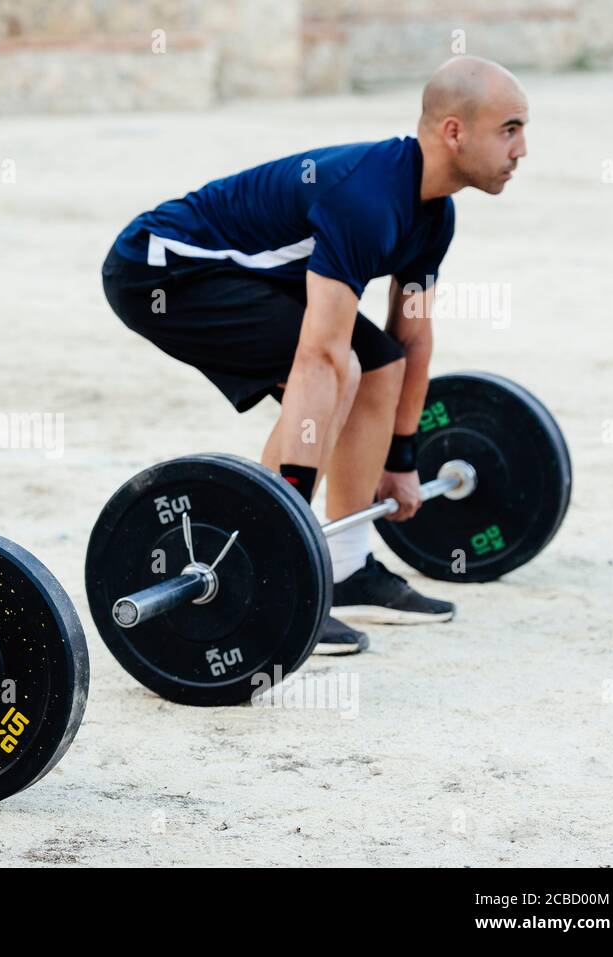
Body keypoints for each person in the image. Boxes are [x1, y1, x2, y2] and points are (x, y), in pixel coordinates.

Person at [100, 56, 528, 655]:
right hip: (164, 271)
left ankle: (346, 567)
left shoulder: (434, 213)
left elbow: (411, 340)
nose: (522, 149)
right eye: (510, 128)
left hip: (247, 276)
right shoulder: (367, 198)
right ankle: (269, 574)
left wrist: (402, 459)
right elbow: (322, 361)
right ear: (454, 132)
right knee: (340, 370)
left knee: (377, 364)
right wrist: (291, 527)